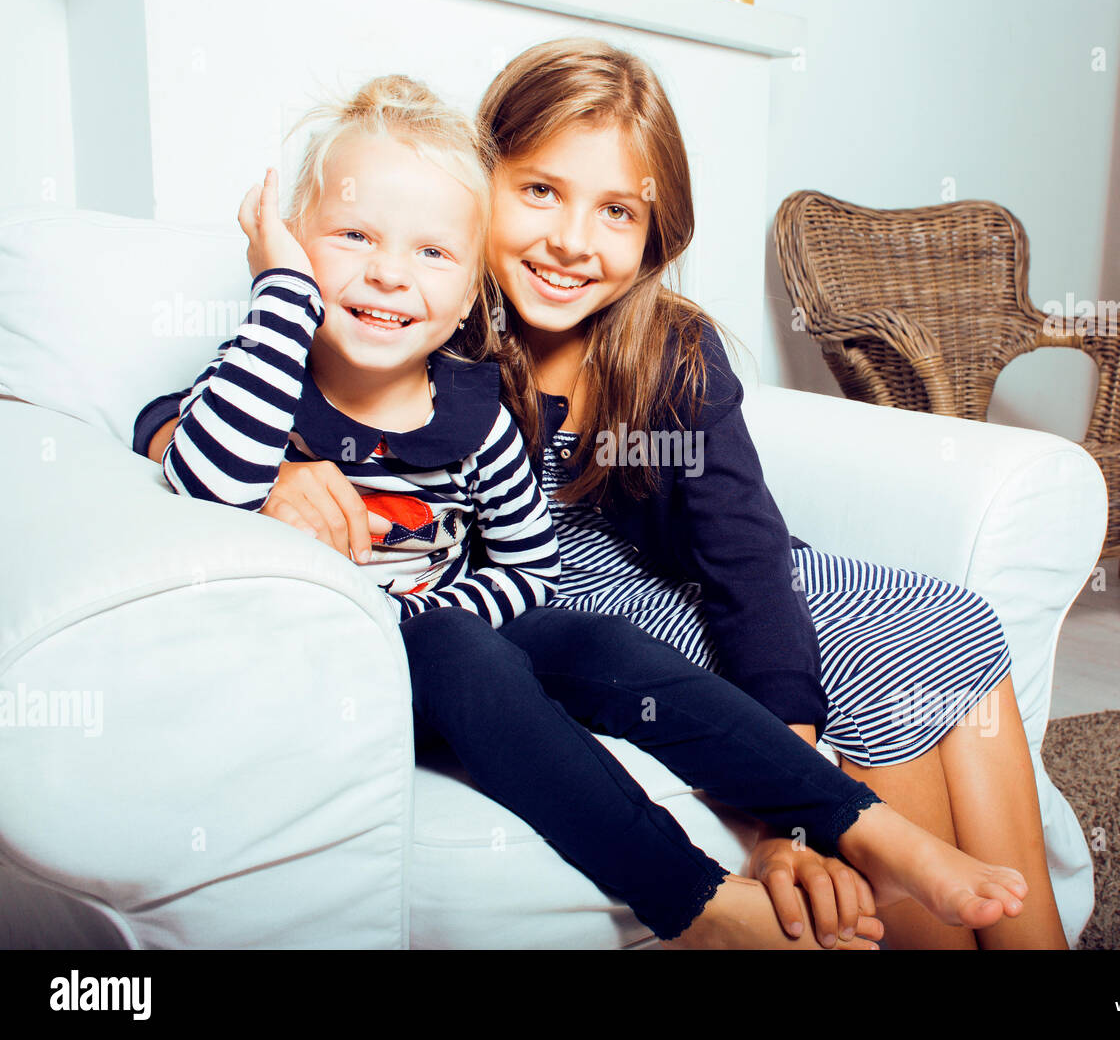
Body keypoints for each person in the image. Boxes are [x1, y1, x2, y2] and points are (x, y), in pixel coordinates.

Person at [147, 72, 1035, 950]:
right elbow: (174, 421)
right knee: (881, 684)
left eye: (617, 211)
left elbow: (746, 562)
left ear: (654, 235)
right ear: (484, 184)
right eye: (540, 190)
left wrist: (786, 821)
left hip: (675, 567)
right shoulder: (432, 321)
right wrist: (270, 478)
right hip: (562, 589)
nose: (572, 241)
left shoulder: (657, 346)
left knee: (945, 620)